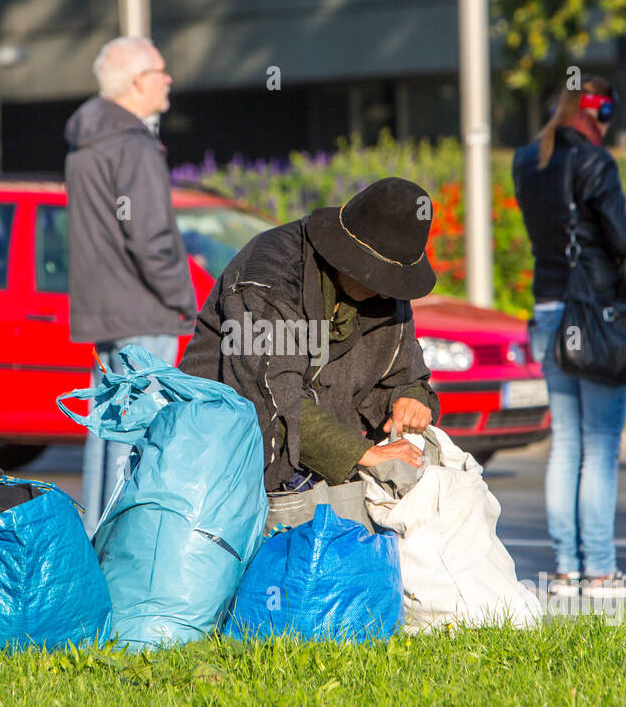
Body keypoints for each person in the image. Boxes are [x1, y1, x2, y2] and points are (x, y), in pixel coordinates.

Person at [180, 177, 439, 495]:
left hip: (317, 484)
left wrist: (411, 397)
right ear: (347, 257)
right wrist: (364, 454)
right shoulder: (269, 277)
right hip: (219, 473)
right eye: (378, 278)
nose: (387, 295)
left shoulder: (384, 295)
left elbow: (403, 373)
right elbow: (272, 397)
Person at [511, 73, 626, 599]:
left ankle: (567, 570)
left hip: (547, 310)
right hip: (596, 315)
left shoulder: (527, 161)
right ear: (593, 113)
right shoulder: (595, 163)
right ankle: (601, 571)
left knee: (566, 444)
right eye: (607, 115)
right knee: (600, 448)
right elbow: (623, 239)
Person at [64, 36, 197, 534]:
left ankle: (99, 540)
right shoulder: (133, 146)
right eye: (161, 70)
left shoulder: (87, 143)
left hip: (104, 309)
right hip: (143, 309)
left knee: (107, 429)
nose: (168, 79)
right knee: (141, 430)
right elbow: (151, 237)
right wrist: (181, 298)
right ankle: (128, 550)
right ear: (138, 81)